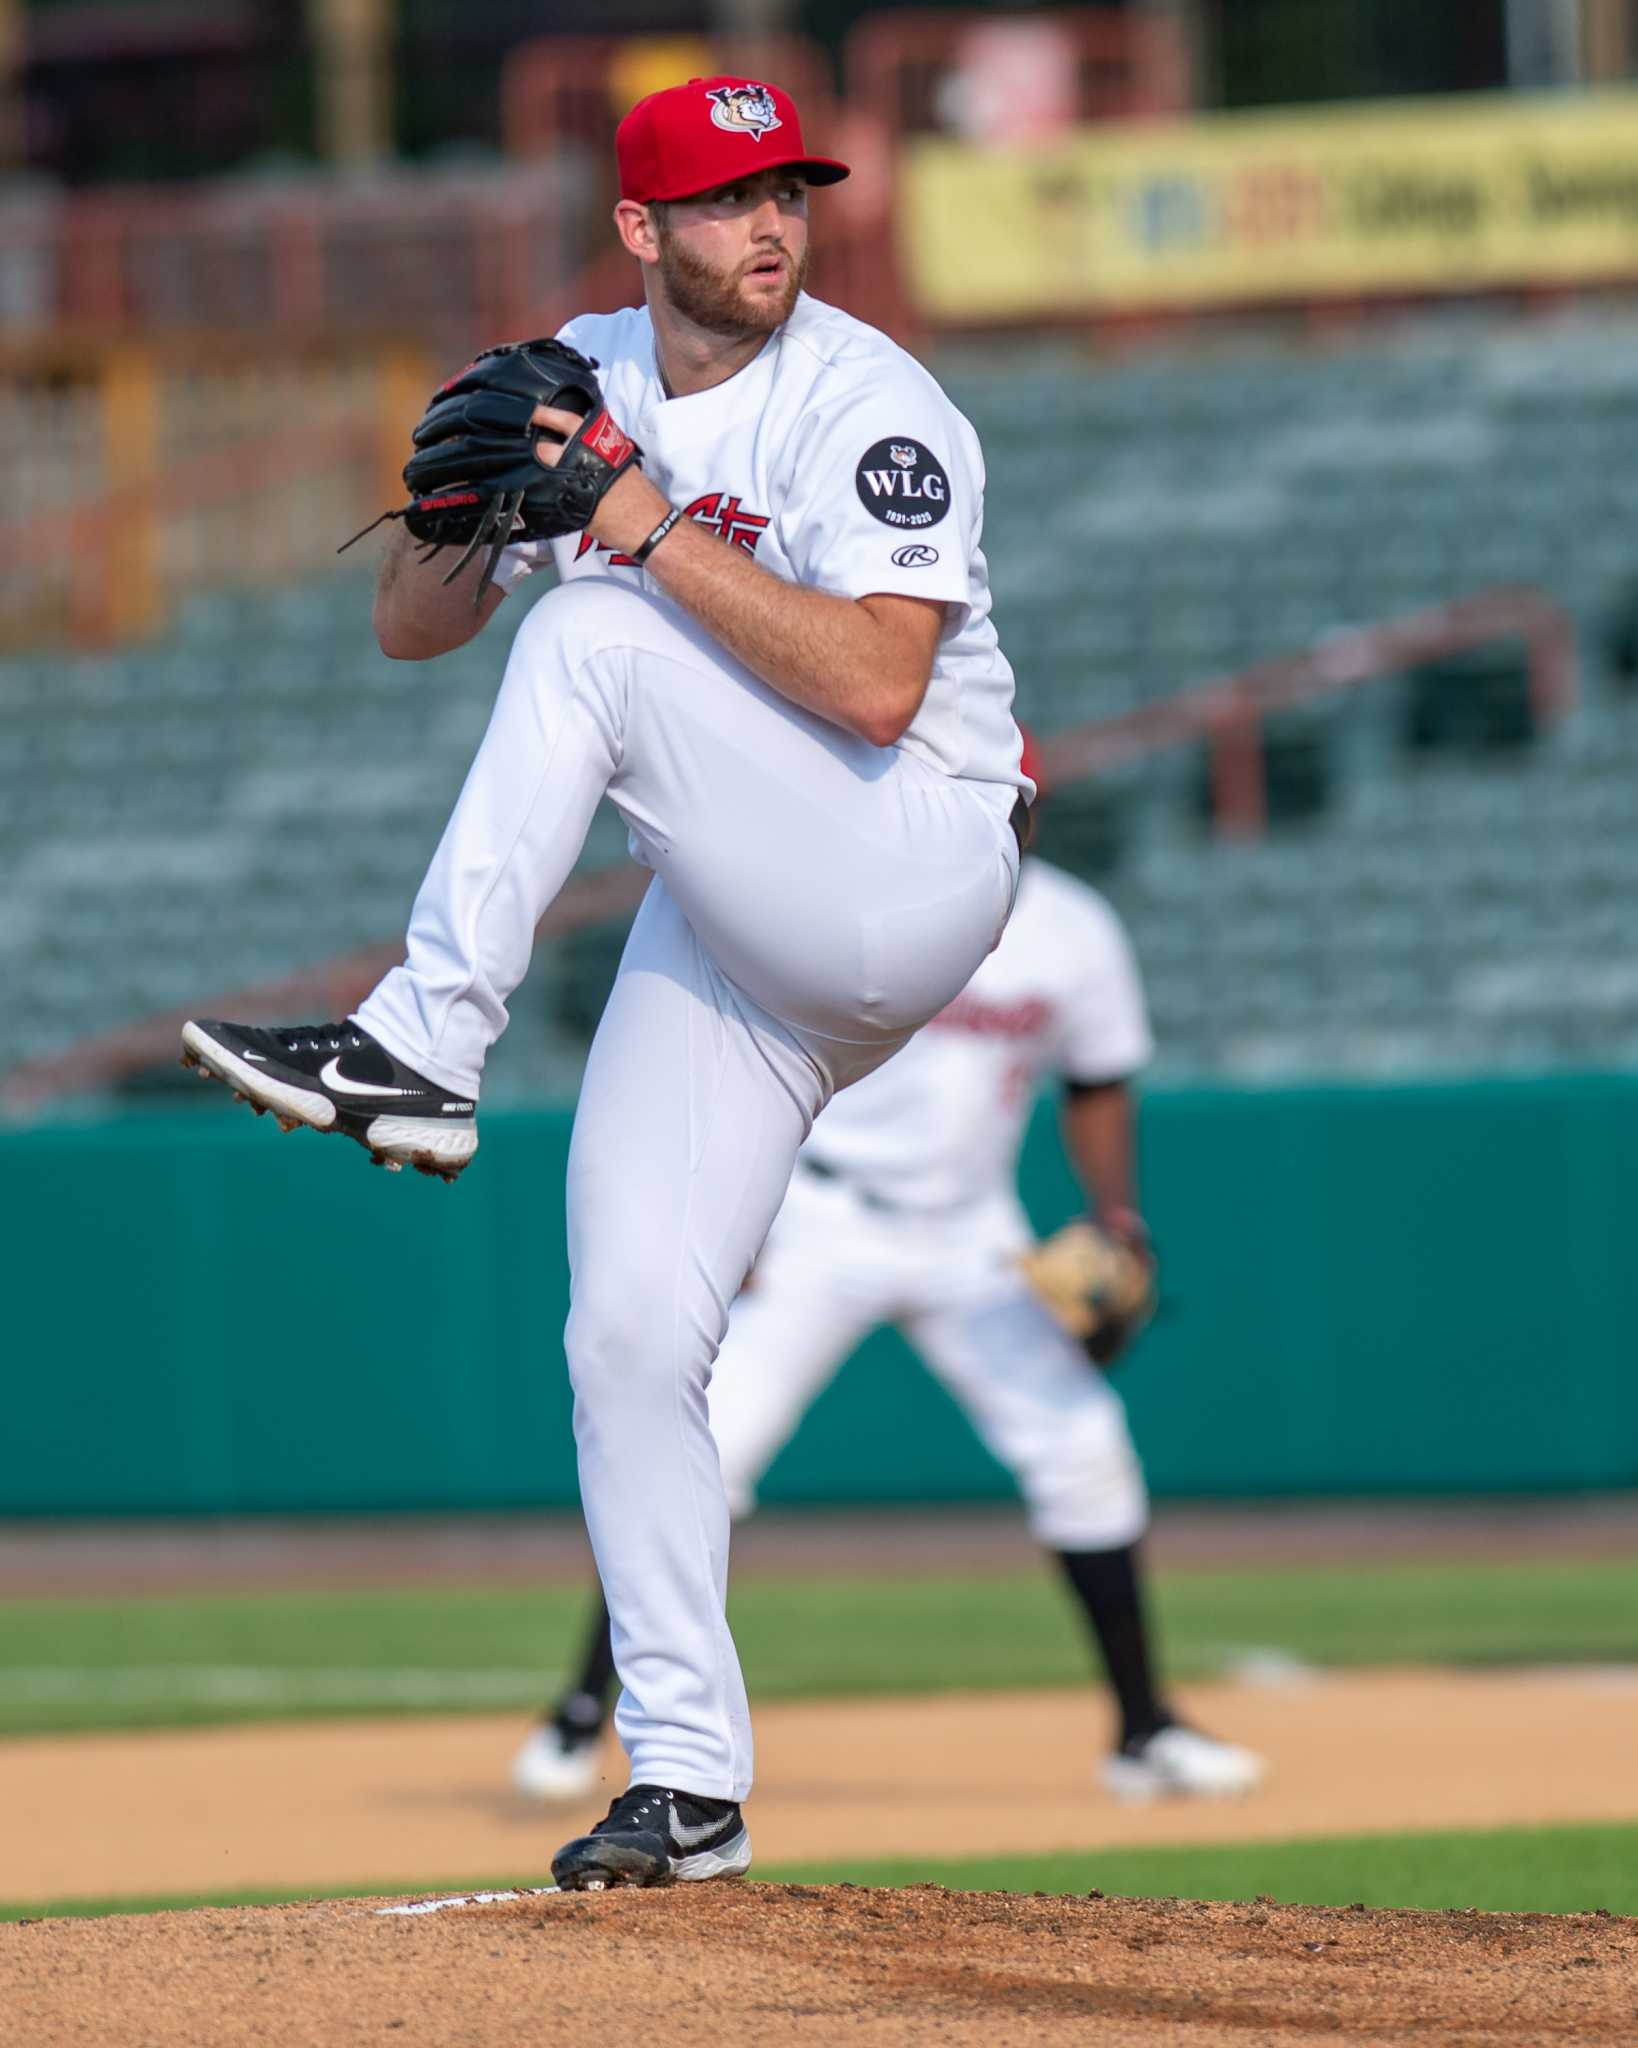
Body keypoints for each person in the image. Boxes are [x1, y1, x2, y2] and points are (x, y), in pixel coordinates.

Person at [179, 75, 1029, 1890]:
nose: (769, 227)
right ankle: (687, 1783)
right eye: (724, 201)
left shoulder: (872, 404)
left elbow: (880, 688)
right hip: (733, 911)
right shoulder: (579, 365)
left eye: (785, 189)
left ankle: (422, 1040)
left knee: (595, 632)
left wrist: (635, 520)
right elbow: (412, 631)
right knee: (629, 1327)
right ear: (641, 230)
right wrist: (458, 511)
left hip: (908, 859)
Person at [515, 734, 1266, 1810]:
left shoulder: (1073, 928)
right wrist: (743, 1218)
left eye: (1019, 795)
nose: (1008, 809)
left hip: (973, 1235)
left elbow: (1099, 1077)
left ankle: (1144, 1728)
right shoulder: (850, 883)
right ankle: (585, 1710)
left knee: (1084, 1450)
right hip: (819, 1212)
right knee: (704, 1450)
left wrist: (1118, 1217)